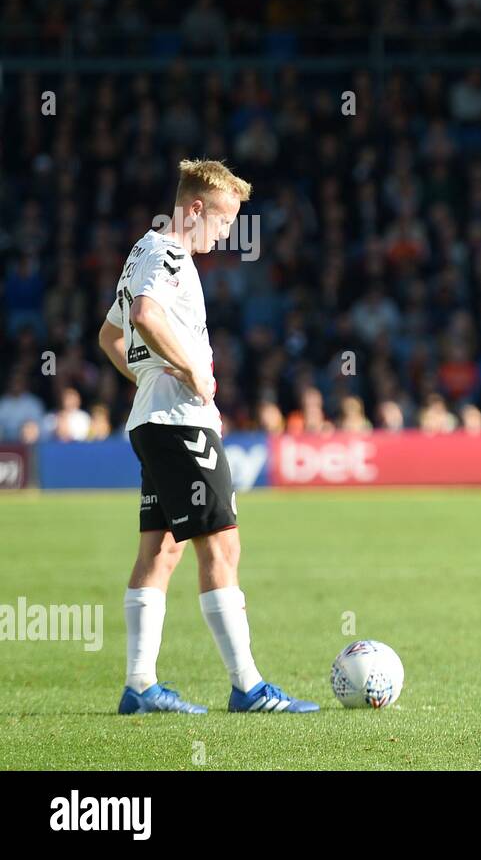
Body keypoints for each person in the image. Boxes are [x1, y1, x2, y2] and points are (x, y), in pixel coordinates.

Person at [99, 159, 317, 714]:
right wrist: (191, 372)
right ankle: (248, 687)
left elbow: (109, 335)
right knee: (222, 544)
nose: (225, 233)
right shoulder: (167, 252)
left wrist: (147, 375)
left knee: (161, 549)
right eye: (222, 221)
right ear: (195, 209)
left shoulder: (142, 255)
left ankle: (140, 686)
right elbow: (145, 316)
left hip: (153, 420)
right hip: (180, 424)